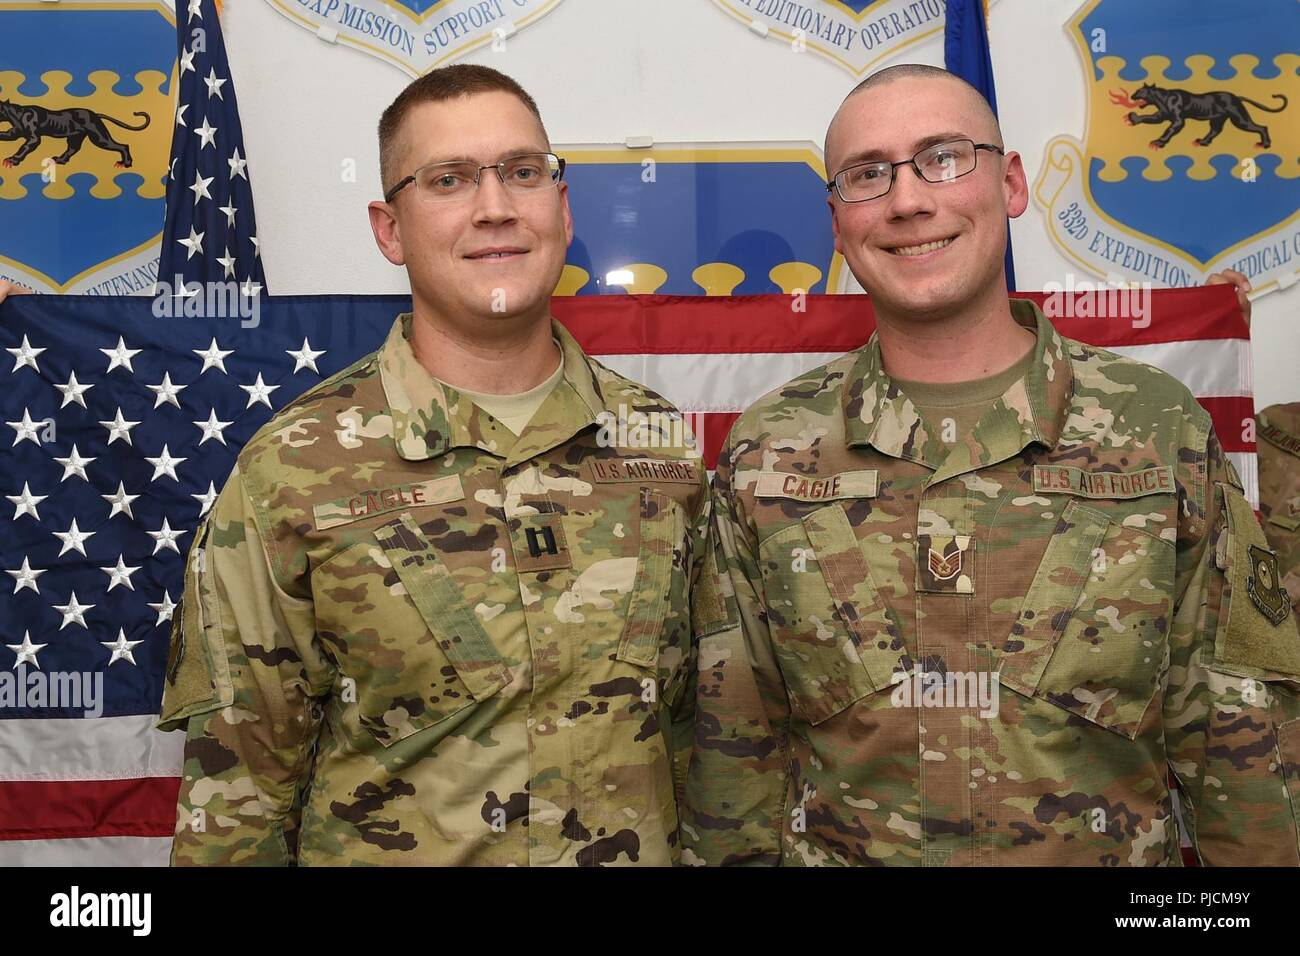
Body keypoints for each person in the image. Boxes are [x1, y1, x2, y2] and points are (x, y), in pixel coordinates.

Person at [683, 64, 1300, 866]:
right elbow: (737, 751)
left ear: (1010, 184)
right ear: (838, 223)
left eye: (944, 156)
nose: (908, 199)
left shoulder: (1157, 429)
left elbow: (1240, 746)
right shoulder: (770, 451)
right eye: (869, 174)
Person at [157, 64, 726, 866]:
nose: (494, 208)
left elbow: (715, 738)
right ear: (389, 229)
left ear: (561, 209)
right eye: (449, 180)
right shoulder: (292, 468)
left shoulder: (659, 450)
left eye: (523, 173)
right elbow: (238, 796)